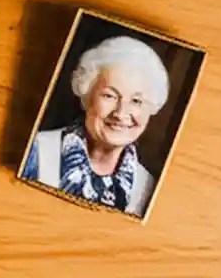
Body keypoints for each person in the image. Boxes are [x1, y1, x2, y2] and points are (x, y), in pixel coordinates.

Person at [21, 35, 169, 217]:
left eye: (136, 101)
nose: (121, 113)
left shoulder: (148, 188)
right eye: (110, 96)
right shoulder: (35, 150)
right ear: (86, 95)